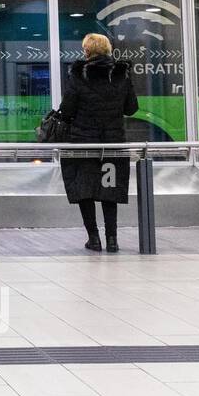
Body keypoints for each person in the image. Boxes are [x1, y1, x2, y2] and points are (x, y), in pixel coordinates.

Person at [58, 32, 139, 252]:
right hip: (112, 142)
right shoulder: (121, 74)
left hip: (84, 142)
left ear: (87, 51)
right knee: (109, 189)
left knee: (85, 189)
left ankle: (93, 238)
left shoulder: (78, 74)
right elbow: (132, 108)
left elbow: (67, 110)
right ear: (107, 49)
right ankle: (112, 239)